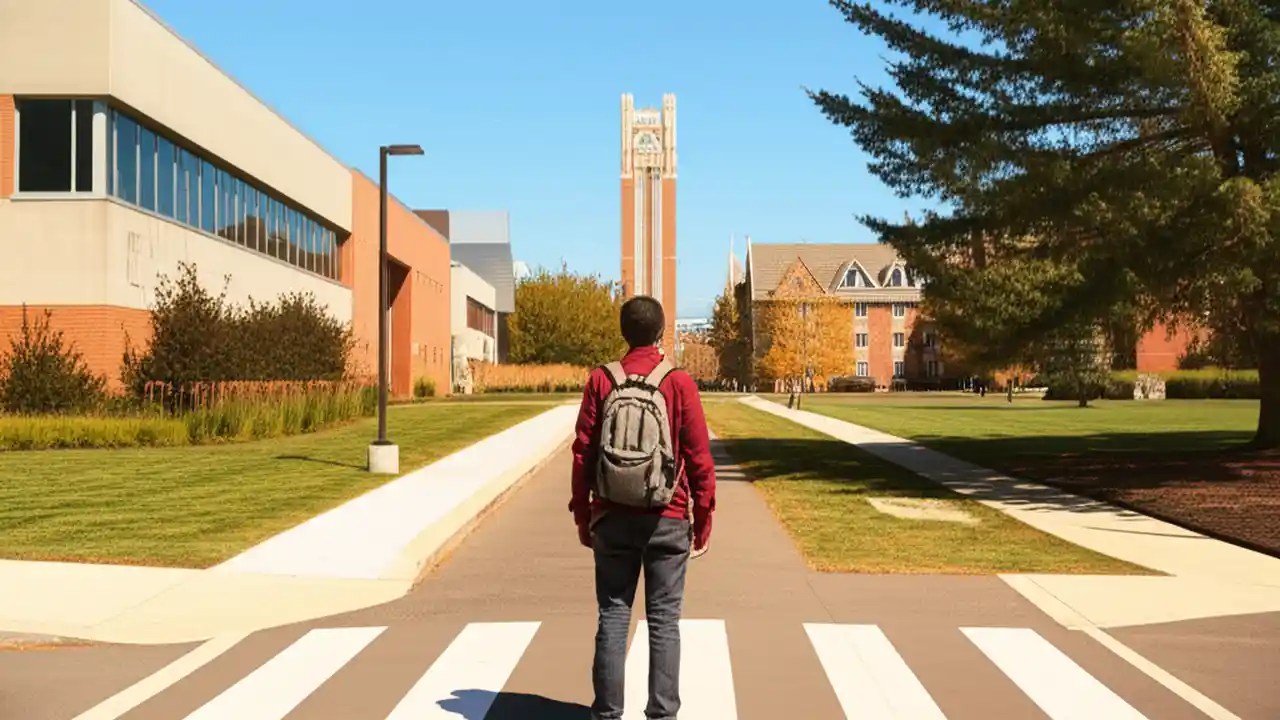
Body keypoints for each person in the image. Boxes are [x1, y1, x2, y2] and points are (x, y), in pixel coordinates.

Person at [569, 295, 717, 720]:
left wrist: (584, 514)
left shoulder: (601, 380)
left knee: (614, 616)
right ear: (660, 332)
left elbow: (583, 452)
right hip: (667, 519)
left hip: (612, 517)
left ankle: (608, 714)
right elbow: (700, 456)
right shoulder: (678, 382)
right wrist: (703, 518)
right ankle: (662, 715)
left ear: (624, 332)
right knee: (664, 622)